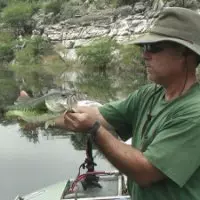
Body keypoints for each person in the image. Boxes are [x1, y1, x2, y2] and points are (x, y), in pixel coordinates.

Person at [21, 7, 200, 200]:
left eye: (154, 48)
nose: (144, 55)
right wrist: (38, 117)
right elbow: (95, 115)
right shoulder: (150, 94)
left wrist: (95, 131)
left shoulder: (194, 112)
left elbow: (145, 172)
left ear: (185, 54)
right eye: (144, 47)